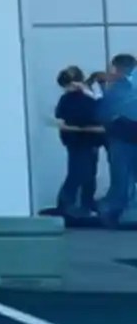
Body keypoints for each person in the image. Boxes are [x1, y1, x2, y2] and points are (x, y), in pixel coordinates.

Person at [54, 66, 104, 217]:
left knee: (84, 174)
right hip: (80, 141)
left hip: (83, 140)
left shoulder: (84, 97)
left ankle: (81, 204)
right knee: (80, 173)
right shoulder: (75, 98)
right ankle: (74, 204)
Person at [98, 54, 137, 227]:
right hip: (125, 135)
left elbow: (104, 111)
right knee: (126, 176)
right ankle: (127, 211)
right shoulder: (120, 85)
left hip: (122, 137)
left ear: (117, 68)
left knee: (122, 176)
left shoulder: (121, 87)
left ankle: (118, 212)